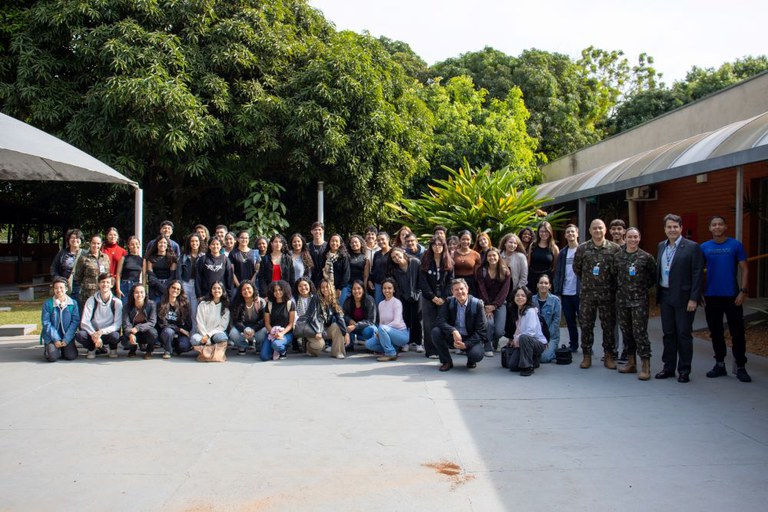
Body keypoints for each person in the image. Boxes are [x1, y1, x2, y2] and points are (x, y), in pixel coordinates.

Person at [700, 215, 751, 382]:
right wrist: (699, 292)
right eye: (714, 224)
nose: (717, 227)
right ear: (710, 228)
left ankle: (741, 366)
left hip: (732, 296)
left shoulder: (735, 245)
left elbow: (745, 268)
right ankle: (720, 364)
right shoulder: (704, 247)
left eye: (720, 224)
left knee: (737, 333)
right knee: (716, 333)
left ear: (725, 227)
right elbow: (698, 271)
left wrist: (743, 291)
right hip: (711, 296)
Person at [655, 214, 705, 383]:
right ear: (664, 229)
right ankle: (668, 367)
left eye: (675, 227)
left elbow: (697, 274)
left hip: (684, 298)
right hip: (665, 295)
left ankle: (684, 370)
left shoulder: (692, 247)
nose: (672, 230)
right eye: (669, 227)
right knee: (668, 333)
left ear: (681, 228)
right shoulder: (661, 246)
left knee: (683, 333)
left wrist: (694, 298)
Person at [572, 219, 621, 369]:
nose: (598, 231)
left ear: (605, 230)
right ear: (590, 231)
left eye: (600, 228)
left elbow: (618, 270)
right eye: (595, 228)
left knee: (608, 326)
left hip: (608, 295)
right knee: (586, 325)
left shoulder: (615, 248)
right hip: (588, 295)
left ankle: (609, 356)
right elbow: (577, 268)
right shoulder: (582, 248)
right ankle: (587, 355)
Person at [611, 227, 656, 380]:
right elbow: (613, 276)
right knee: (627, 332)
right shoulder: (617, 257)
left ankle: (645, 366)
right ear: (625, 237)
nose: (632, 240)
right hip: (622, 301)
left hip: (639, 301)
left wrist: (639, 289)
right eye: (630, 237)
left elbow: (652, 277)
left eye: (635, 237)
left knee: (640, 333)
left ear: (639, 238)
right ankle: (631, 363)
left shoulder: (646, 257)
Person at [432, 278, 488, 371]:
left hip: (471, 338)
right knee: (436, 331)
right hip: (454, 337)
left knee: (476, 355)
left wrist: (466, 344)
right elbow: (440, 321)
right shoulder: (449, 302)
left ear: (467, 289)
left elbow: (482, 330)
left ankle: (471, 360)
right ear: (452, 292)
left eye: (462, 289)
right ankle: (446, 361)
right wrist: (453, 331)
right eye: (456, 289)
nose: (459, 292)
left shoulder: (477, 304)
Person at [419, 236, 454, 360]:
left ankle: (442, 350)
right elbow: (422, 281)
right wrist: (433, 297)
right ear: (431, 246)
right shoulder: (425, 260)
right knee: (429, 324)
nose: (437, 247)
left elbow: (450, 281)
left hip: (444, 295)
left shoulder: (449, 261)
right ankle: (431, 350)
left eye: (440, 244)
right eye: (434, 244)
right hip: (429, 296)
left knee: (442, 323)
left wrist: (444, 297)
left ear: (444, 246)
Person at [294, 278, 348, 358]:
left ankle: (337, 352)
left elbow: (340, 317)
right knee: (320, 345)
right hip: (313, 328)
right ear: (320, 289)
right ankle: (309, 348)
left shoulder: (334, 300)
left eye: (327, 287)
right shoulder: (315, 299)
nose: (325, 289)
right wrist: (317, 331)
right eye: (322, 287)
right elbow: (313, 317)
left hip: (325, 329)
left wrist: (345, 333)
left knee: (336, 327)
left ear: (331, 287)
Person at [75, 273, 122, 359]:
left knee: (115, 335)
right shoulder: (91, 300)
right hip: (93, 332)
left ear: (112, 285)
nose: (105, 285)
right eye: (103, 282)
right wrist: (94, 334)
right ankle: (91, 348)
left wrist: (101, 332)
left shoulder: (117, 302)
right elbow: (84, 322)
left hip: (107, 333)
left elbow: (117, 324)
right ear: (99, 284)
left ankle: (113, 349)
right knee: (80, 335)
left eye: (108, 282)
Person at [475, 247, 510, 355]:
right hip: (485, 303)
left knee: (499, 330)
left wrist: (495, 305)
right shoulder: (481, 271)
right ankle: (487, 344)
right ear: (486, 258)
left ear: (498, 257)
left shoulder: (505, 271)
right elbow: (481, 289)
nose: (492, 258)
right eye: (489, 255)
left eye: (494, 255)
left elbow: (505, 291)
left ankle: (496, 340)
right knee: (489, 324)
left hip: (499, 303)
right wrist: (487, 305)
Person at [387, 247, 423, 352]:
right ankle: (406, 342)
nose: (396, 258)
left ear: (403, 252)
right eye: (393, 257)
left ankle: (419, 343)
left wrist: (418, 292)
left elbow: (421, 279)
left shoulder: (415, 262)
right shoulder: (394, 269)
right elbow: (395, 285)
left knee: (417, 319)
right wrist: (401, 295)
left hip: (418, 294)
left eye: (397, 255)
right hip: (403, 296)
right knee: (405, 318)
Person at [506, 286, 548, 376]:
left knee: (524, 337)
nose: (520, 298)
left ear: (527, 298)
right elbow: (518, 330)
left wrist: (516, 340)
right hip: (523, 342)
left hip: (537, 343)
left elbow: (530, 333)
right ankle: (534, 360)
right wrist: (514, 340)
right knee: (512, 366)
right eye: (517, 295)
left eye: (523, 296)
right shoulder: (517, 310)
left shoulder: (530, 311)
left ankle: (528, 367)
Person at [367, 278, 409, 362]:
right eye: (384, 288)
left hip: (400, 334)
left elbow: (396, 322)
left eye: (389, 288)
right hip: (385, 332)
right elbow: (381, 322)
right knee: (368, 344)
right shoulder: (381, 304)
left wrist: (381, 329)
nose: (387, 290)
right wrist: (378, 333)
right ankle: (394, 348)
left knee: (382, 328)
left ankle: (390, 353)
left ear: (394, 290)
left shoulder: (397, 303)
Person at [553, 224, 580, 352]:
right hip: (565, 292)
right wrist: (557, 290)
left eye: (572, 232)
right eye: (568, 232)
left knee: (585, 321)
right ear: (565, 235)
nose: (570, 234)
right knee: (570, 320)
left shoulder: (582, 250)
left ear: (577, 234)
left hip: (579, 292)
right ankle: (573, 344)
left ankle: (587, 345)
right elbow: (558, 272)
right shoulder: (563, 252)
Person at [41, 277, 80, 362]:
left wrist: (66, 339)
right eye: (56, 288)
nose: (59, 290)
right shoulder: (48, 304)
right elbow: (46, 323)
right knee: (52, 357)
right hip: (52, 337)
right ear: (53, 289)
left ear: (66, 288)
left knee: (71, 356)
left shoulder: (73, 303)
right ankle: (49, 347)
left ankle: (64, 348)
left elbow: (75, 322)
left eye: (61, 287)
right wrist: (56, 339)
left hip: (67, 336)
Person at [260, 280, 296, 361]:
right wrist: (272, 332)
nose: (277, 292)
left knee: (276, 344)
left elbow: (291, 324)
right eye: (275, 290)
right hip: (272, 333)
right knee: (264, 357)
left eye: (280, 290)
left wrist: (282, 333)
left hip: (286, 333)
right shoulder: (269, 304)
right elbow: (267, 323)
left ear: (284, 290)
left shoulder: (290, 304)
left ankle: (283, 351)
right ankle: (274, 350)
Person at [228, 281, 267, 356]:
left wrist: (254, 329)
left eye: (248, 288)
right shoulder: (237, 302)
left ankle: (259, 346)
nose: (246, 291)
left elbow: (264, 320)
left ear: (253, 289)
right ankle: (243, 345)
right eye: (243, 289)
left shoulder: (261, 302)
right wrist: (244, 329)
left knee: (263, 331)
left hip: (257, 326)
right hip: (243, 326)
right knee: (233, 333)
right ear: (240, 292)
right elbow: (236, 321)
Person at [121, 283, 159, 359]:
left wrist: (138, 328)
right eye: (137, 292)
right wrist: (130, 334)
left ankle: (149, 351)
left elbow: (152, 322)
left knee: (153, 333)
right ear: (133, 294)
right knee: (125, 341)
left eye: (142, 292)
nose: (139, 295)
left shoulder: (151, 304)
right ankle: (132, 350)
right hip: (133, 332)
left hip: (146, 331)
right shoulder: (127, 306)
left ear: (145, 293)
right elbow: (126, 323)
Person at [73, 234, 111, 307]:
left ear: (101, 244)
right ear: (90, 243)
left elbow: (107, 275)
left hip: (102, 293)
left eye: (98, 243)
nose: (95, 245)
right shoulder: (83, 258)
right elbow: (78, 276)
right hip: (87, 295)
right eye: (93, 243)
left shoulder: (105, 257)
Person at [157, 280, 193, 357]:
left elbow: (188, 324)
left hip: (180, 334)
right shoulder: (161, 304)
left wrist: (182, 331)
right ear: (169, 288)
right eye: (173, 287)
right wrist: (179, 329)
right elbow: (162, 324)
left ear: (180, 291)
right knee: (168, 332)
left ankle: (176, 349)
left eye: (178, 289)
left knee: (184, 346)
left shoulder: (185, 305)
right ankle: (168, 350)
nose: (175, 290)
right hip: (166, 332)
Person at [192, 281, 231, 348]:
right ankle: (206, 348)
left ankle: (212, 347)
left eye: (219, 288)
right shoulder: (203, 304)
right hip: (202, 334)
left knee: (222, 338)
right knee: (194, 339)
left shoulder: (225, 308)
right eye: (214, 288)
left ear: (222, 290)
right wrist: (205, 336)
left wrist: (208, 336)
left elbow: (222, 327)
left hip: (216, 334)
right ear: (211, 290)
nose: (216, 290)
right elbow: (200, 322)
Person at [195, 237, 234, 301]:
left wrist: (229, 295)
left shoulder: (225, 259)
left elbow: (229, 278)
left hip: (221, 294)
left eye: (217, 244)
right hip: (206, 294)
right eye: (213, 244)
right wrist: (199, 294)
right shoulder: (203, 259)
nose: (215, 246)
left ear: (221, 246)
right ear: (209, 246)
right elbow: (198, 277)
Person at [342, 280, 377, 350]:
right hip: (352, 326)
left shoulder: (369, 300)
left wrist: (356, 325)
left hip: (365, 327)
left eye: (359, 288)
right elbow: (343, 315)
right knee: (341, 323)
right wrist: (349, 320)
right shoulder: (348, 301)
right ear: (351, 290)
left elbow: (371, 321)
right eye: (354, 289)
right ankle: (349, 344)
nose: (356, 291)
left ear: (363, 290)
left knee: (370, 330)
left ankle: (371, 346)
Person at [534, 275, 562, 363]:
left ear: (550, 286)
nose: (543, 285)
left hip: (551, 336)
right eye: (541, 283)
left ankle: (554, 350)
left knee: (543, 358)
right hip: (535, 336)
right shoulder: (531, 300)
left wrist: (546, 337)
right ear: (537, 285)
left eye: (546, 283)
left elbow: (556, 322)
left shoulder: (555, 301)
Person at [179, 233, 202, 332]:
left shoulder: (203, 256)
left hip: (198, 285)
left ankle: (194, 334)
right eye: (192, 241)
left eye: (196, 241)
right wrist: (180, 285)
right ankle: (184, 333)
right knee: (185, 309)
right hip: (185, 284)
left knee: (195, 311)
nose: (194, 243)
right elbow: (179, 272)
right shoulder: (184, 256)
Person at [145, 235, 177, 306]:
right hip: (154, 286)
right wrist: (160, 286)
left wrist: (166, 288)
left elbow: (173, 275)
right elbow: (151, 275)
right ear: (157, 244)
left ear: (167, 245)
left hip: (168, 285)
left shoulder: (172, 258)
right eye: (160, 242)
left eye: (164, 243)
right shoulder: (151, 258)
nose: (162, 244)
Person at [51, 229, 84, 294]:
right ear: (68, 240)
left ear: (81, 240)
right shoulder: (62, 254)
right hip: (65, 285)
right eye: (72, 238)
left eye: (77, 238)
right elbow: (53, 268)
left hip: (81, 287)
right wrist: (59, 280)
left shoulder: (86, 254)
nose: (75, 240)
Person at [527, 221, 559, 290]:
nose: (543, 233)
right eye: (541, 231)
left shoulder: (554, 248)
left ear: (550, 233)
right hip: (532, 278)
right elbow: (528, 263)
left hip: (546, 281)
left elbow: (555, 267)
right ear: (538, 232)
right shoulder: (533, 246)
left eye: (546, 231)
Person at [321, 234, 351, 307]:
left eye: (336, 241)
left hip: (341, 287)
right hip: (328, 286)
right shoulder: (325, 255)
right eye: (332, 241)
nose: (334, 243)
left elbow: (346, 274)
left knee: (339, 307)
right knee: (329, 307)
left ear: (340, 243)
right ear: (329, 242)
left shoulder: (343, 256)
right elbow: (322, 271)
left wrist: (340, 288)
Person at [115, 235, 143, 306]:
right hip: (124, 285)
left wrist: (142, 288)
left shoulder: (142, 260)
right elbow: (118, 274)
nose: (135, 246)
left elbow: (144, 276)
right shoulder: (123, 258)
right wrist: (118, 289)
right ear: (129, 246)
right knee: (124, 307)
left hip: (136, 285)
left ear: (139, 245)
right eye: (132, 244)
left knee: (135, 307)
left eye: (137, 244)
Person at [452, 230, 482, 296]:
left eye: (468, 239)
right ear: (459, 240)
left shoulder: (476, 255)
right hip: (456, 282)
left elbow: (479, 271)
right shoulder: (453, 254)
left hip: (471, 283)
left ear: (471, 240)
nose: (465, 241)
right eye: (463, 239)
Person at [293, 277, 317, 354]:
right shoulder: (294, 299)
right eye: (300, 286)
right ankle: (299, 342)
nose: (303, 288)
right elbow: (294, 314)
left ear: (310, 286)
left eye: (305, 285)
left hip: (312, 323)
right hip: (299, 323)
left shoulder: (315, 298)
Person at [368, 231, 391, 304]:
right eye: (378, 240)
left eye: (383, 239)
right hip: (378, 284)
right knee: (379, 306)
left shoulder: (393, 252)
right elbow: (373, 268)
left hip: (390, 285)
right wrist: (370, 280)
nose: (381, 242)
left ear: (388, 239)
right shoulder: (377, 254)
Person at [308, 221, 327, 286]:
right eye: (315, 230)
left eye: (319, 230)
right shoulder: (307, 246)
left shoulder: (328, 246)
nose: (317, 232)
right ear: (311, 231)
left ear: (323, 231)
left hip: (325, 278)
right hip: (310, 277)